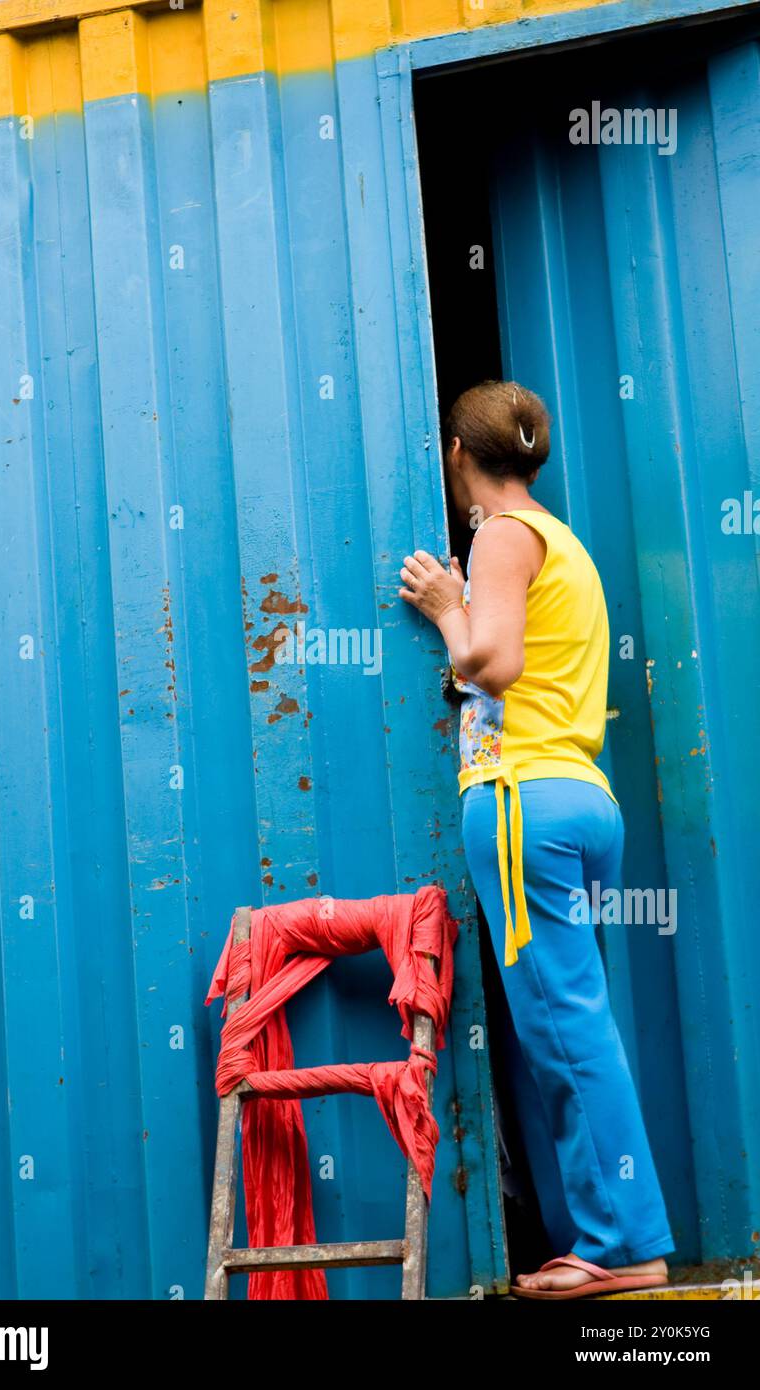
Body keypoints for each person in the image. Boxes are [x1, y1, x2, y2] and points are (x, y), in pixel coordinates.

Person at [398, 380, 674, 1299]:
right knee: (570, 1021)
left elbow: (494, 661)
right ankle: (607, 1233)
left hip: (522, 799)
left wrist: (445, 603)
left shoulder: (502, 534)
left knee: (565, 1028)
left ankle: (621, 1247)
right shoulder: (563, 542)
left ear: (457, 454)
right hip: (578, 799)